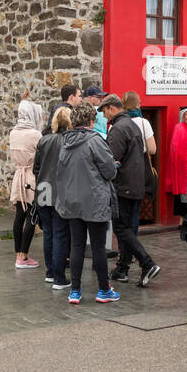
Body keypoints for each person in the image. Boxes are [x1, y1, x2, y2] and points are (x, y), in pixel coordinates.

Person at [55, 104, 119, 304]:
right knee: (98, 247)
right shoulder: (95, 141)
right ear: (91, 121)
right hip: (94, 200)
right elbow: (109, 171)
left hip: (73, 200)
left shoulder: (64, 142)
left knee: (76, 245)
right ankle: (103, 289)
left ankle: (75, 290)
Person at [104, 94, 161, 287]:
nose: (104, 116)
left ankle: (147, 263)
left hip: (124, 186)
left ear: (112, 108)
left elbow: (111, 161)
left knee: (121, 228)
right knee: (126, 228)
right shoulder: (133, 125)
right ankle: (122, 269)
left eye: (104, 111)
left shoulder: (118, 128)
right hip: (136, 184)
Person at [34, 107, 73, 290]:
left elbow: (36, 168)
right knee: (60, 234)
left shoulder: (44, 140)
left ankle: (50, 272)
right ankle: (58, 277)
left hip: (43, 189)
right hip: (59, 190)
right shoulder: (68, 141)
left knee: (48, 233)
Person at [8, 99, 42, 269]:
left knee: (19, 215)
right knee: (32, 215)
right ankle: (23, 256)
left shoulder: (13, 133)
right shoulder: (35, 134)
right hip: (31, 176)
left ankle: (18, 255)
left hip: (18, 175)